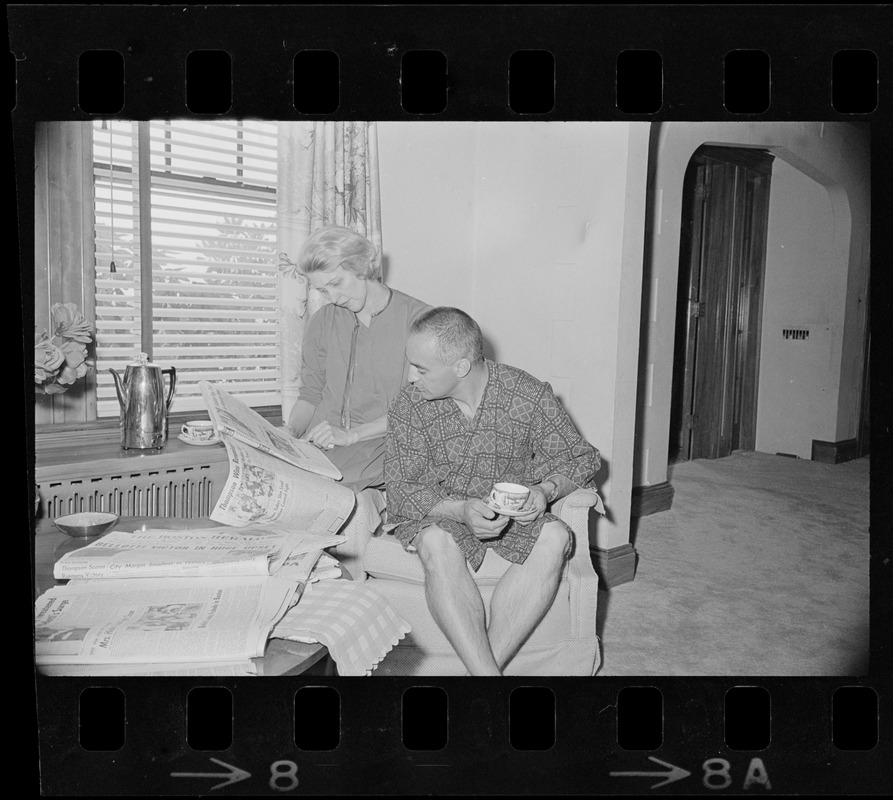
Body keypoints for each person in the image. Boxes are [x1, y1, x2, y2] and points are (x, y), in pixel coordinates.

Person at [384, 307, 601, 675]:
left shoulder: (527, 395)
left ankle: (481, 679)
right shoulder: (411, 405)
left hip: (514, 518)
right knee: (436, 543)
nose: (411, 376)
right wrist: (461, 510)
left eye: (421, 368)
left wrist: (544, 491)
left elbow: (581, 459)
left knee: (553, 536)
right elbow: (402, 489)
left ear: (461, 366)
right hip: (444, 513)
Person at [286, 226, 431, 491]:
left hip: (382, 446)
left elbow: (422, 411)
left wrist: (352, 436)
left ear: (361, 267)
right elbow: (310, 394)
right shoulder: (322, 321)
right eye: (322, 290)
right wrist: (288, 433)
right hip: (322, 447)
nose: (333, 298)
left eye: (336, 283)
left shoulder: (420, 321)